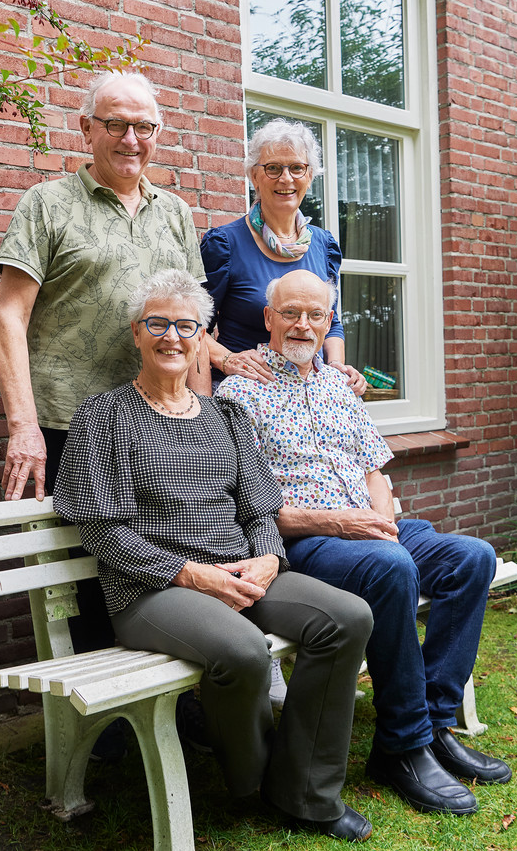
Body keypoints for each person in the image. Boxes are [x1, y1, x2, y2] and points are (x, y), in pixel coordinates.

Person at [53, 270, 375, 842]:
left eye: (186, 325)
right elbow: (104, 533)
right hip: (153, 589)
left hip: (241, 572)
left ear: (203, 337)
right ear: (136, 333)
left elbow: (259, 513)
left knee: (347, 618)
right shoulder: (101, 420)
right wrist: (188, 573)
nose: (172, 337)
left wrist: (270, 560)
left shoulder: (226, 417)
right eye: (158, 324)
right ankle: (256, 782)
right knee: (244, 651)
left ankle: (305, 787)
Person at [216, 270, 513, 817]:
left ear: (329, 321)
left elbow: (375, 468)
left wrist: (380, 519)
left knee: (472, 558)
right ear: (268, 320)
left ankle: (436, 720)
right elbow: (253, 506)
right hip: (310, 540)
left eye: (315, 314)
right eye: (290, 313)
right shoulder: (238, 394)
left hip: (376, 531)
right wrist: (344, 524)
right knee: (391, 567)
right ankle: (402, 745)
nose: (303, 324)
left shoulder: (339, 385)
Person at [0, 71, 207, 503]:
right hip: (67, 425)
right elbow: (8, 315)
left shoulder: (176, 214)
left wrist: (203, 419)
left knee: (160, 552)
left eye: (143, 127)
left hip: (162, 422)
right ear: (87, 128)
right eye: (116, 124)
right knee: (66, 561)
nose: (131, 139)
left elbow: (196, 324)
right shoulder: (47, 203)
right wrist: (23, 426)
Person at [200, 119, 366, 395]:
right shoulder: (224, 244)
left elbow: (332, 322)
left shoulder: (324, 246)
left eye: (297, 168)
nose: (286, 179)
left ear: (309, 175)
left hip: (309, 394)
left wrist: (336, 367)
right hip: (247, 393)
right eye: (273, 168)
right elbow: (193, 327)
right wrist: (227, 360)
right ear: (254, 176)